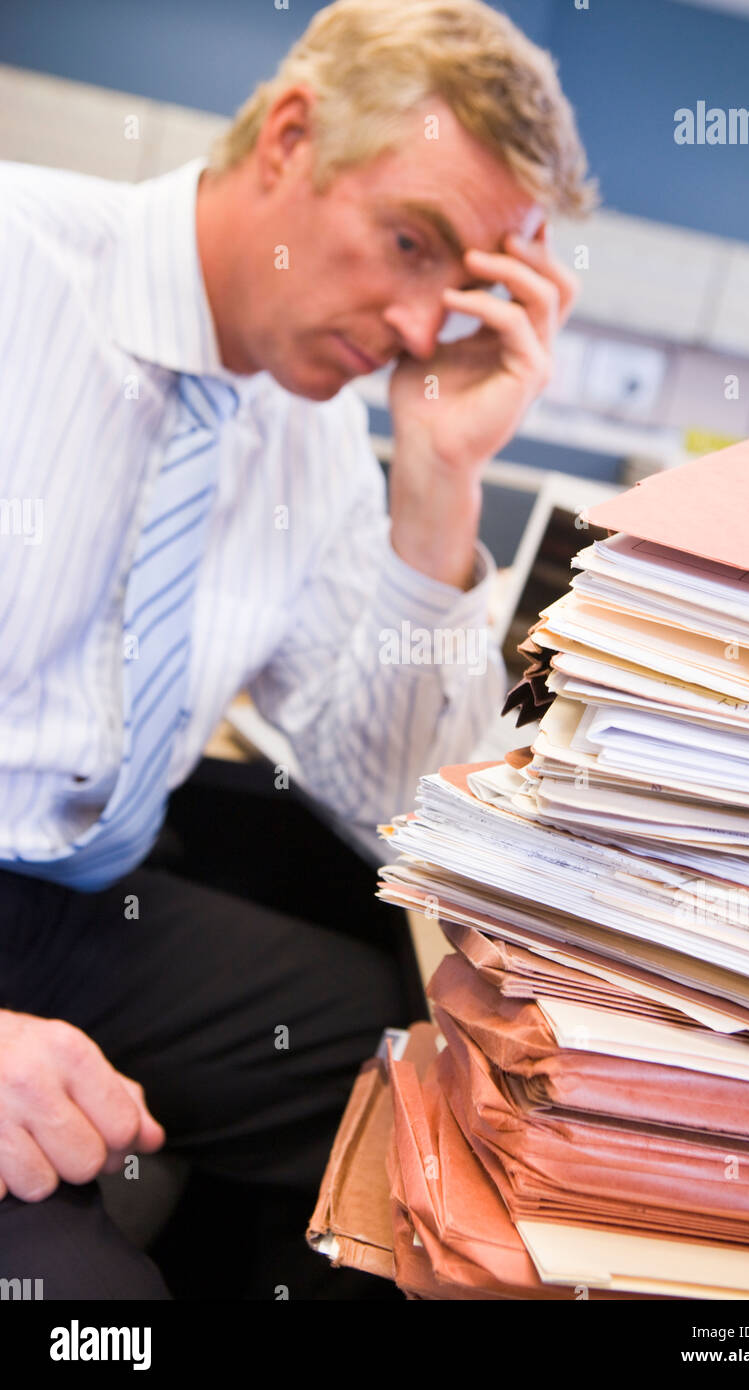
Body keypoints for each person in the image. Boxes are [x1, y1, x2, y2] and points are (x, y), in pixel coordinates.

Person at [0, 0, 592, 1298]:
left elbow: (395, 799)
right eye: (408, 240)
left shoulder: (306, 416)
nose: (419, 321)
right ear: (287, 139)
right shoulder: (14, 274)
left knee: (458, 1125)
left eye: (468, 283)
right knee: (97, 1314)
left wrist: (436, 478)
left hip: (78, 903)